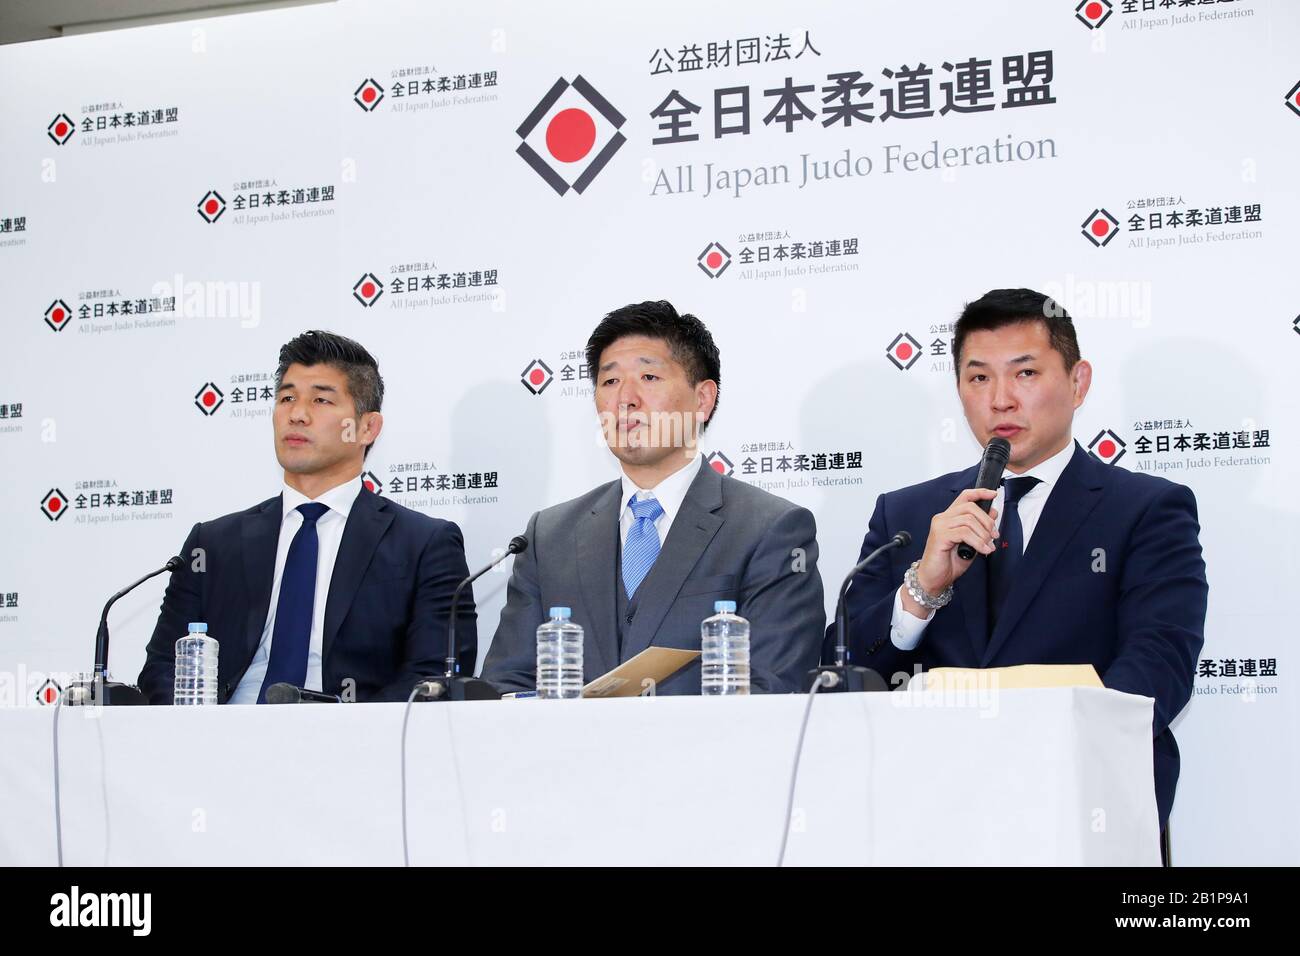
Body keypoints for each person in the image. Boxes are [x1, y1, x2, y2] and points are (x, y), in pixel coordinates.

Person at [830, 288, 1206, 828]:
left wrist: (1035, 752)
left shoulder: (1147, 509)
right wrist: (921, 593)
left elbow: (1158, 665)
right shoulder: (908, 516)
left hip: (1081, 802)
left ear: (1078, 384)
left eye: (1025, 374)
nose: (1000, 400)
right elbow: (843, 677)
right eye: (979, 378)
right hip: (929, 807)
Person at [482, 300, 824, 694]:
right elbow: (506, 684)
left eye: (648, 377)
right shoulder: (548, 536)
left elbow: (774, 688)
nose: (624, 398)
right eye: (609, 382)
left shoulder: (770, 529)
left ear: (702, 400)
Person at [138, 330, 476, 703]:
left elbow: (434, 677)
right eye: (286, 398)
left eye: (320, 399)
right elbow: (162, 669)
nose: (297, 415)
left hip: (354, 744)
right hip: (220, 739)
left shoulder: (424, 544)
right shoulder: (213, 543)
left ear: (367, 427)